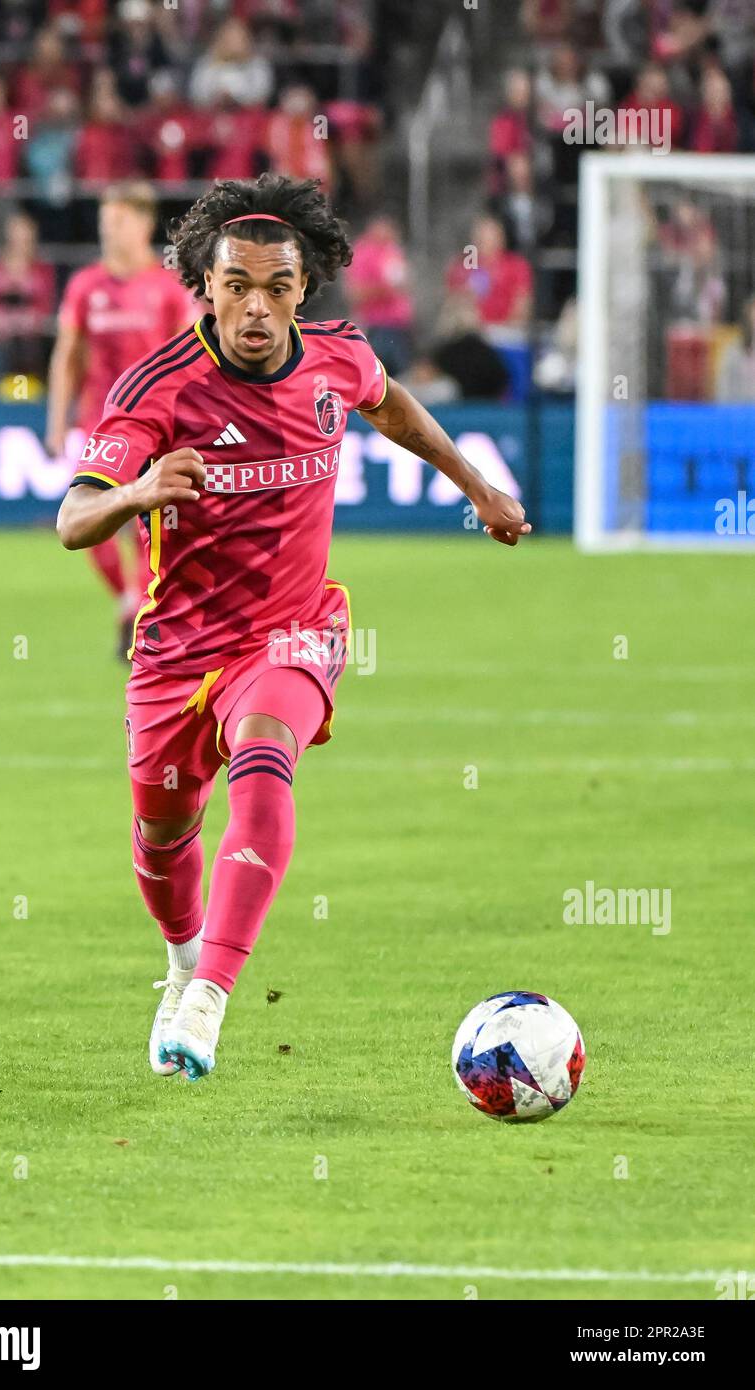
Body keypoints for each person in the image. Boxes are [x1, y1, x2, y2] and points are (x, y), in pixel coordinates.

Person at [55, 173, 531, 1084]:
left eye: (278, 287)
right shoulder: (158, 387)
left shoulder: (337, 357)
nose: (258, 308)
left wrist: (478, 487)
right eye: (238, 285)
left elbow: (393, 406)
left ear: (303, 290)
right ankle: (184, 954)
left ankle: (210, 997)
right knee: (161, 836)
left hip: (293, 630)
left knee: (268, 757)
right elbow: (74, 519)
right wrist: (141, 491)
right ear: (206, 285)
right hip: (177, 651)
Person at [47, 181, 196, 654]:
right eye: (104, 221)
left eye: (118, 221)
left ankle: (145, 610)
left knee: (150, 524)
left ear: (142, 223)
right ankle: (129, 600)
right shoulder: (85, 285)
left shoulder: (168, 287)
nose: (109, 230)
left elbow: (192, 356)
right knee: (89, 517)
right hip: (102, 423)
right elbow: (66, 354)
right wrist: (56, 419)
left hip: (159, 425)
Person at [0, 212, 56, 389]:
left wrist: (32, 322)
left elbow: (46, 303)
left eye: (25, 236)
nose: (20, 241)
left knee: (33, 353)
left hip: (31, 337)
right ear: (8, 236)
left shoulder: (43, 268)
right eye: (17, 235)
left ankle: (33, 400)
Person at [344, 215, 413, 376]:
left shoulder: (393, 250)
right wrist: (386, 290)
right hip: (377, 325)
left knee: (402, 376)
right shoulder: (363, 252)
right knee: (378, 375)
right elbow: (355, 293)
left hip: (400, 326)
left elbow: (403, 285)